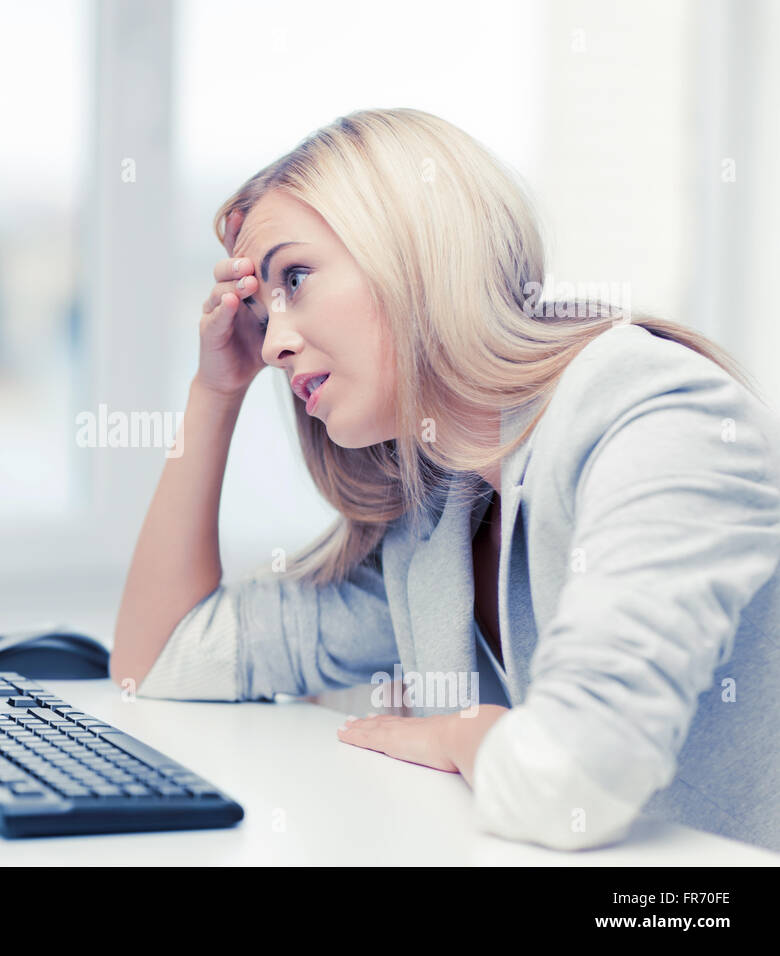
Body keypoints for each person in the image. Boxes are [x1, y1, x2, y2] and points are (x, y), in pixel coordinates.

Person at [109, 108, 780, 852]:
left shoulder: (655, 417)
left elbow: (570, 782)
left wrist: (465, 732)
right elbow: (159, 658)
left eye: (294, 277)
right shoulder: (438, 519)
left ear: (416, 250)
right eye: (263, 311)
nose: (272, 346)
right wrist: (214, 393)